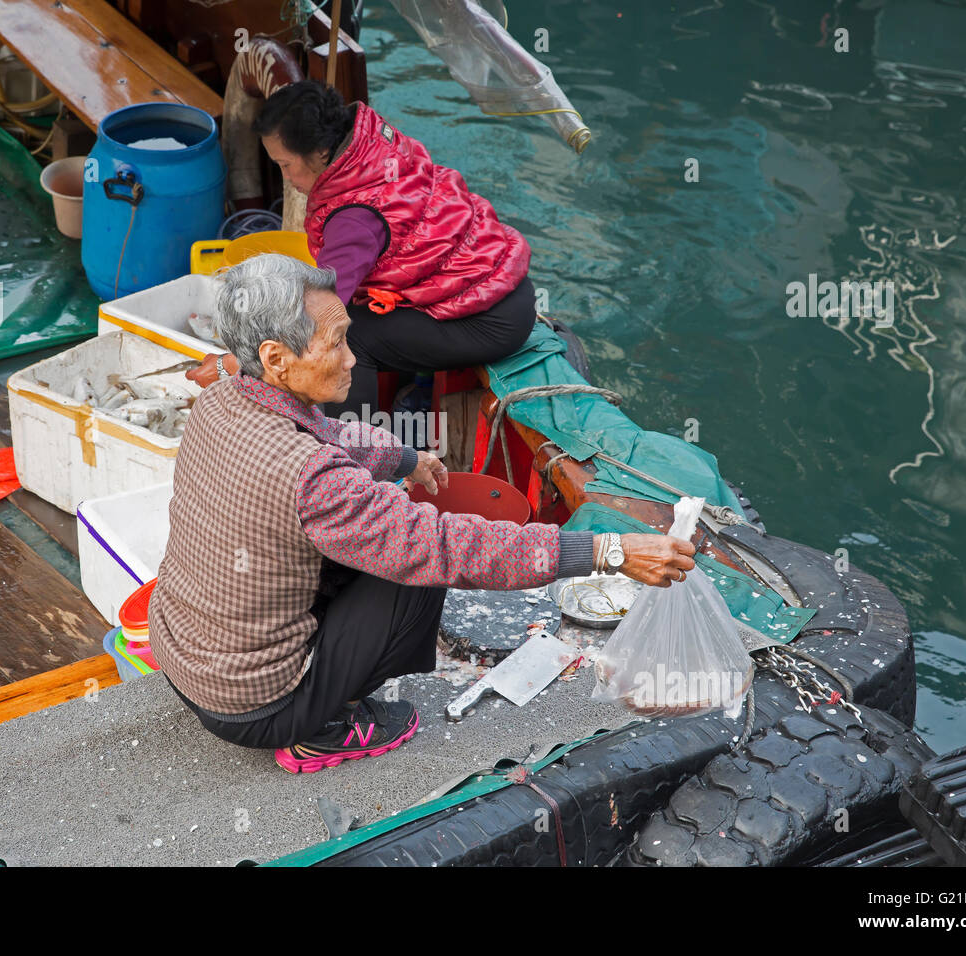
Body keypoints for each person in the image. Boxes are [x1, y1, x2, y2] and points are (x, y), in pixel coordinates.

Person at [150, 254, 696, 775]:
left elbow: (329, 435)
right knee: (421, 561)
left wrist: (406, 457)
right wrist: (610, 551)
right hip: (257, 707)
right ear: (274, 358)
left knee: (392, 532)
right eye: (336, 343)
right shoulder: (313, 479)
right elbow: (445, 546)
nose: (352, 359)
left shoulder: (221, 401)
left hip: (182, 658)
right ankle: (318, 731)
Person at [187, 80, 536, 422]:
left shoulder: (355, 219)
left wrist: (232, 363)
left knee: (347, 333)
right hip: (497, 285)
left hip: (488, 320)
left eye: (285, 165)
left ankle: (354, 454)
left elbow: (319, 314)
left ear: (321, 152)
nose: (287, 178)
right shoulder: (371, 143)